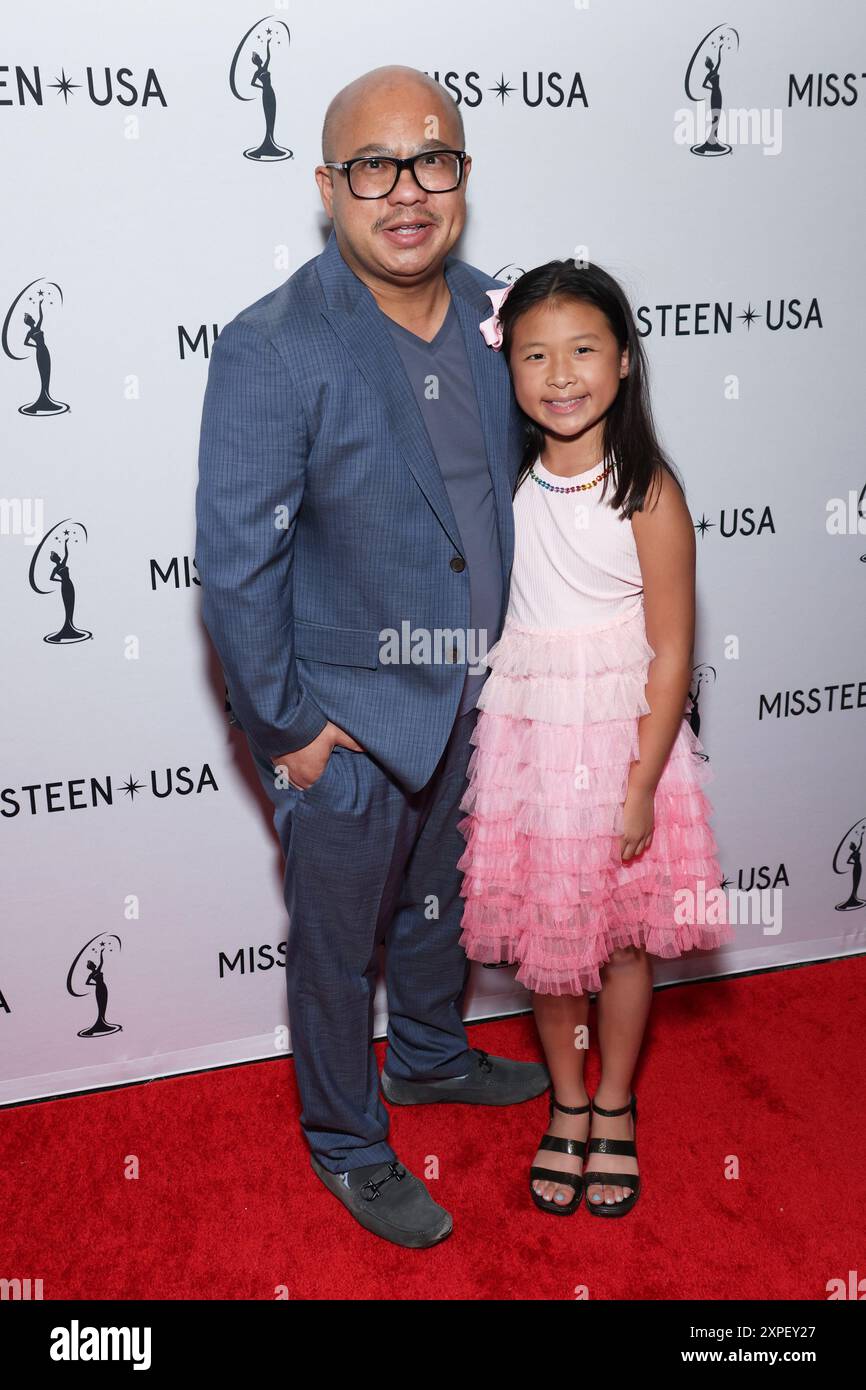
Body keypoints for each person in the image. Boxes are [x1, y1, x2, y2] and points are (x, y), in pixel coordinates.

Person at [194, 65, 548, 1250]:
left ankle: (432, 1055)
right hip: (345, 720)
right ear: (326, 186)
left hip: (479, 697)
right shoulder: (273, 346)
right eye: (373, 167)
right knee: (339, 952)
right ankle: (346, 1142)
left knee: (441, 909)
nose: (406, 190)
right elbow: (236, 562)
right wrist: (290, 732)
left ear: (462, 176)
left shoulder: (504, 314)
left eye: (431, 160)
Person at [457, 260, 734, 1217]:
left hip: (622, 747)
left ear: (623, 361)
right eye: (534, 354)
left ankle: (614, 1102)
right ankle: (567, 1104)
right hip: (531, 743)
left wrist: (640, 784)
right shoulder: (504, 483)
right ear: (508, 368)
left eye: (583, 350)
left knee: (619, 946)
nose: (561, 374)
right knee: (550, 941)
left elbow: (672, 651)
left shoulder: (647, 491)